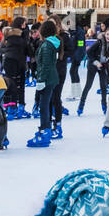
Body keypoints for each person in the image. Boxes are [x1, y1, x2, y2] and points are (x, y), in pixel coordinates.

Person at [27, 19, 61, 148]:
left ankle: (44, 131)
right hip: (50, 78)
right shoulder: (50, 44)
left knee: (44, 106)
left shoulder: (47, 45)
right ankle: (44, 129)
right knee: (45, 105)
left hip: (47, 79)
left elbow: (45, 65)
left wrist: (41, 80)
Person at [78, 28, 109, 116]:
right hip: (93, 65)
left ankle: (104, 106)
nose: (108, 36)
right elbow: (89, 52)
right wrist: (96, 62)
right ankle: (81, 106)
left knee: (104, 86)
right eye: (107, 34)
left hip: (103, 66)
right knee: (88, 85)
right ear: (105, 34)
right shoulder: (99, 42)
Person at [0, 23, 32, 119]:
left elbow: (1, 51)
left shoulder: (6, 40)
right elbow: (30, 53)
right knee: (20, 86)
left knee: (9, 85)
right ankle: (19, 108)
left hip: (8, 64)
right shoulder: (23, 41)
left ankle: (9, 108)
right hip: (20, 65)